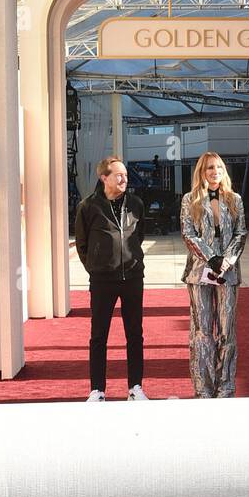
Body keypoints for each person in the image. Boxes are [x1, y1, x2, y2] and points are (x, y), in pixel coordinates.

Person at [74, 156, 148, 402]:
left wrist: (132, 261)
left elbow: (139, 237)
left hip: (133, 277)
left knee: (135, 334)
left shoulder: (136, 204)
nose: (124, 179)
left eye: (125, 175)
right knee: (99, 335)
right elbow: (82, 244)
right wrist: (96, 268)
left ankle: (135, 388)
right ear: (104, 177)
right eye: (118, 175)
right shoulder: (88, 207)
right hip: (102, 280)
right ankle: (97, 390)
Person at [180, 151, 247, 398]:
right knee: (202, 331)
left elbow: (241, 233)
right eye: (209, 168)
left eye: (218, 167)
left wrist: (226, 261)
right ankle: (203, 387)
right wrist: (212, 258)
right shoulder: (190, 199)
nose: (214, 171)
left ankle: (226, 386)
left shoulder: (235, 199)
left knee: (227, 330)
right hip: (200, 273)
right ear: (201, 172)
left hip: (228, 274)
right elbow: (188, 234)